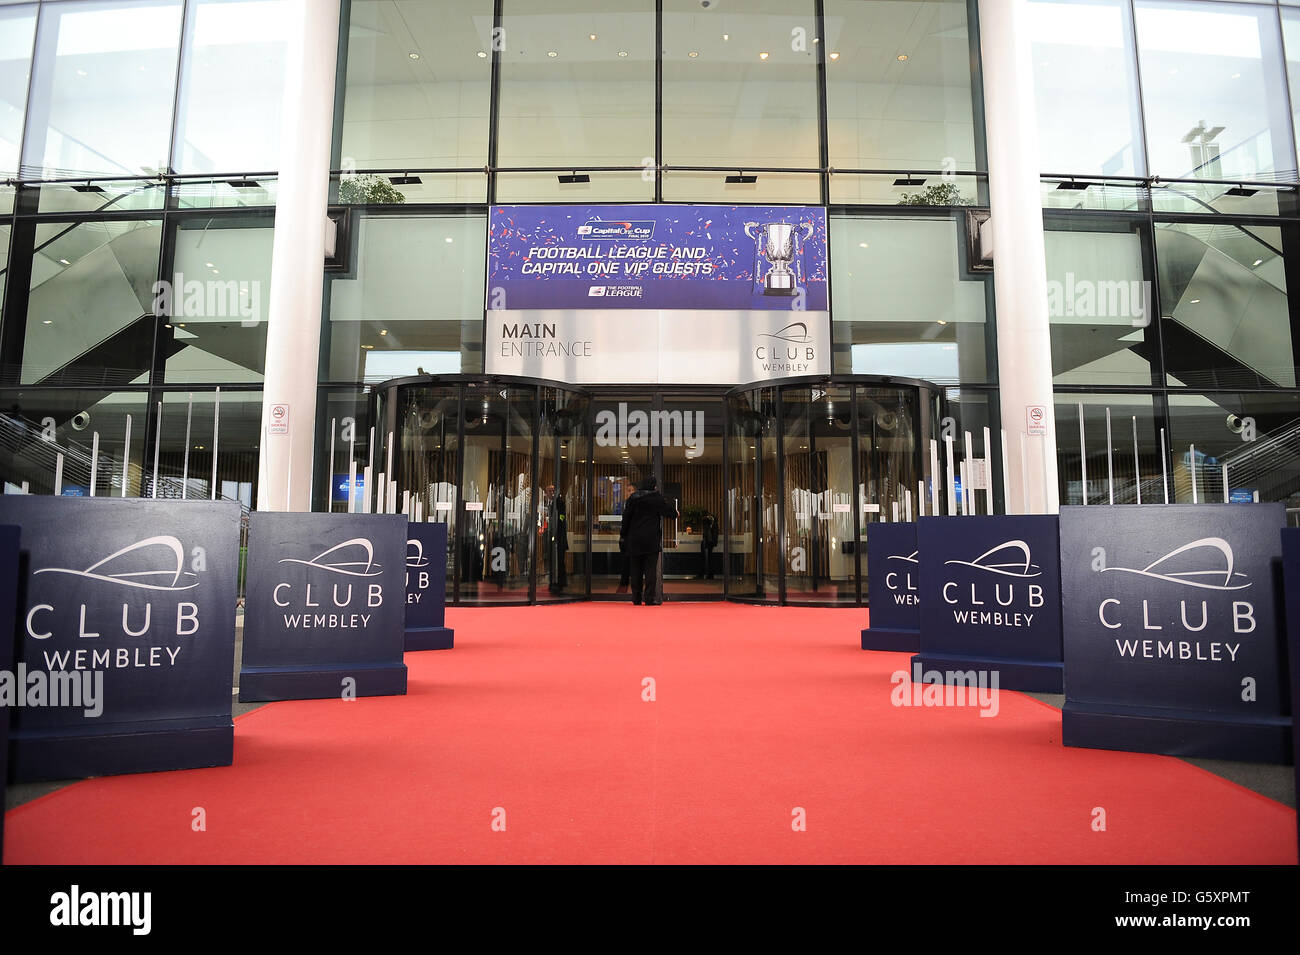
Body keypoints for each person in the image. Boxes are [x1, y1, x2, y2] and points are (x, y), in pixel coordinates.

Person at [619, 475, 678, 606]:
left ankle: (636, 598)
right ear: (653, 486)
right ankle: (649, 598)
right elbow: (668, 511)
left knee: (636, 571)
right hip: (651, 540)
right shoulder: (656, 498)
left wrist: (623, 534)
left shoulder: (633, 499)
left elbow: (626, 518)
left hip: (634, 540)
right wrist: (676, 513)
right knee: (650, 571)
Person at [699, 510, 719, 580]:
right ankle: (709, 574)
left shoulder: (708, 520)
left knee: (706, 558)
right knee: (709, 558)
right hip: (710, 541)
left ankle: (706, 574)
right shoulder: (713, 520)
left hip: (708, 541)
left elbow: (707, 532)